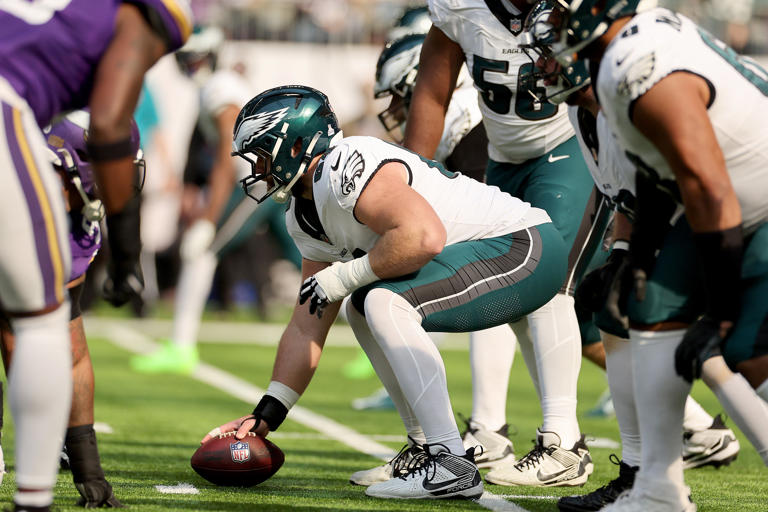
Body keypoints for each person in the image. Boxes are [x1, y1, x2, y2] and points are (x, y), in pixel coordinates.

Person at [203, 84, 574, 499]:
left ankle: (449, 461)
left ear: (294, 145)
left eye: (262, 153)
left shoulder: (346, 164)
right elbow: (308, 322)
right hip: (502, 252)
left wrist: (344, 276)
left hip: (525, 247)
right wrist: (266, 414)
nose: (257, 168)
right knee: (361, 305)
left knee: (379, 299)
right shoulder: (303, 214)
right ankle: (424, 447)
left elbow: (423, 237)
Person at [539, 1, 768, 510]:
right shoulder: (612, 69)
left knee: (746, 343)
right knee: (649, 311)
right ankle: (657, 490)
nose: (546, 43)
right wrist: (631, 257)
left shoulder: (638, 63)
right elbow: (654, 172)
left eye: (557, 20)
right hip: (727, 195)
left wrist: (724, 308)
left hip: (749, 196)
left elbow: (706, 184)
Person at [0, 1, 191, 510]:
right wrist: (128, 253)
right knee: (35, 323)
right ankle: (33, 496)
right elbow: (109, 125)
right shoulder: (143, 15)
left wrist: (88, 462)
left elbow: (74, 349)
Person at [402, 0, 598, 487]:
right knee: (511, 295)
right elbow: (432, 90)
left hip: (569, 145)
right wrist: (412, 184)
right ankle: (488, 432)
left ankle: (564, 444)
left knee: (550, 284)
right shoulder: (459, 7)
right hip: (504, 159)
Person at [350, 31, 518, 474]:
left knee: (562, 311)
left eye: (402, 102)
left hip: (532, 241)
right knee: (597, 330)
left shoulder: (472, 132)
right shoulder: (461, 133)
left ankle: (488, 430)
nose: (400, 116)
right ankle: (698, 427)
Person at [130, 26, 301, 375]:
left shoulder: (220, 87)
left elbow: (228, 153)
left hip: (258, 182)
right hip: (271, 178)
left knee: (201, 252)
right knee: (312, 260)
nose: (193, 67)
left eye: (197, 59)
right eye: (188, 61)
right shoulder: (217, 85)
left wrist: (209, 218)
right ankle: (372, 320)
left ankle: (181, 346)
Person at [0, 111, 145, 508]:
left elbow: (73, 352)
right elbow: (17, 336)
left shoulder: (78, 219)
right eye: (113, 163)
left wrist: (88, 467)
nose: (123, 175)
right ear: (73, 163)